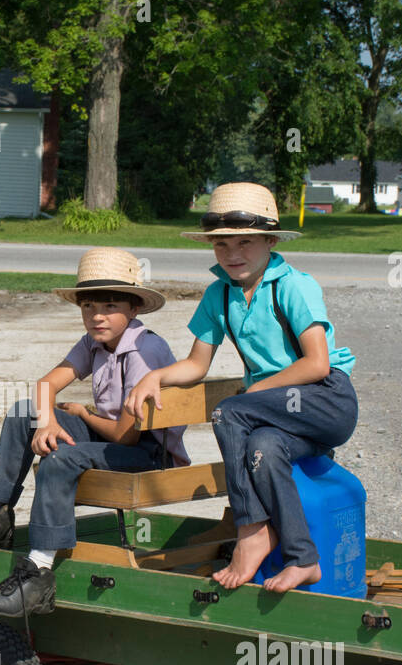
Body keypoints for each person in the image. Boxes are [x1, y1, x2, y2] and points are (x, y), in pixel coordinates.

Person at [125, 182, 357, 594]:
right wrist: (154, 376)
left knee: (229, 410)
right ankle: (304, 559)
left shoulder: (292, 286)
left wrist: (255, 393)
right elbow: (197, 365)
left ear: (270, 240)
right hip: (280, 416)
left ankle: (251, 530)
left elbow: (316, 363)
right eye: (221, 245)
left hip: (326, 400)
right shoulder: (219, 295)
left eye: (245, 242)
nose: (233, 254)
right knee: (262, 448)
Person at [0, 248, 189, 617]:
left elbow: (126, 436)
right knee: (24, 414)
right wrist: (47, 421)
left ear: (134, 308)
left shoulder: (144, 350)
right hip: (109, 440)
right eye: (88, 305)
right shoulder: (94, 341)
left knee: (61, 457)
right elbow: (46, 385)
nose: (97, 316)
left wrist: (81, 413)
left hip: (144, 453)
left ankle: (39, 572)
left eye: (110, 305)